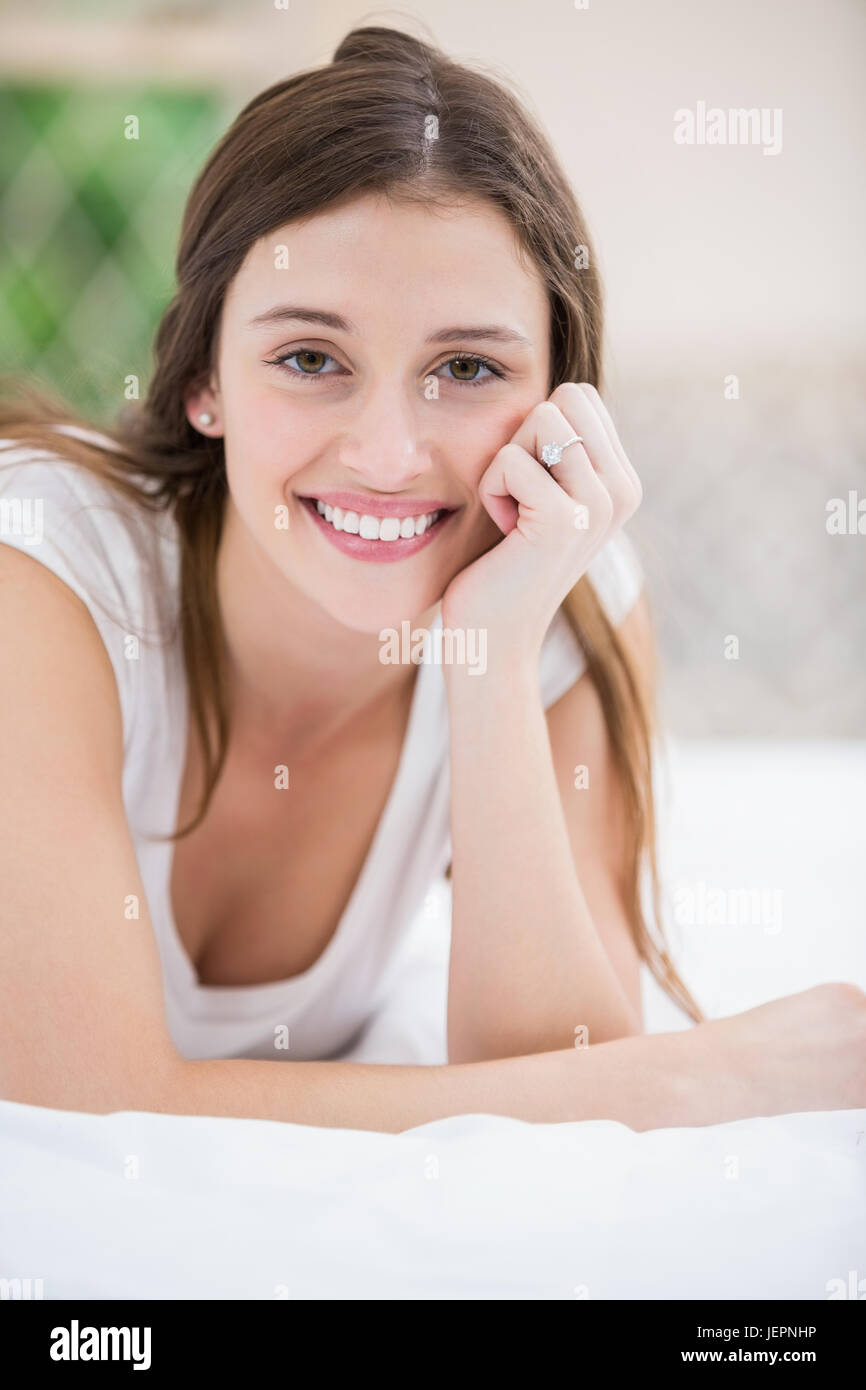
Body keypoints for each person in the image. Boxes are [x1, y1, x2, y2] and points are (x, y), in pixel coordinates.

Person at [1, 25, 863, 1133]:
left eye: (465, 369)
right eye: (310, 358)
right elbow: (81, 1099)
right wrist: (701, 1076)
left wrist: (490, 656)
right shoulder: (46, 575)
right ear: (201, 382)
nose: (386, 452)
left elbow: (562, 1079)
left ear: (558, 399)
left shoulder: (564, 597)